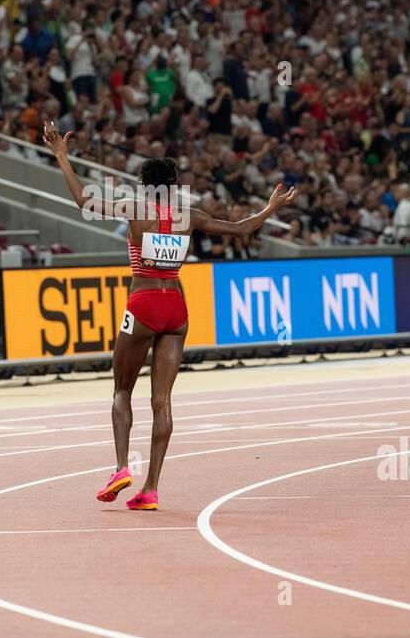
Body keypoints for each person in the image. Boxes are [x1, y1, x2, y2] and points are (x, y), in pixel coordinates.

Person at [42, 119, 295, 510]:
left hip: (142, 304)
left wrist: (62, 157)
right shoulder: (188, 216)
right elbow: (241, 230)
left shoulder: (133, 208)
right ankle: (152, 489)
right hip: (176, 308)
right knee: (162, 402)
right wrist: (270, 207)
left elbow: (83, 202)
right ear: (174, 186)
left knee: (122, 390)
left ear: (144, 185)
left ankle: (122, 466)